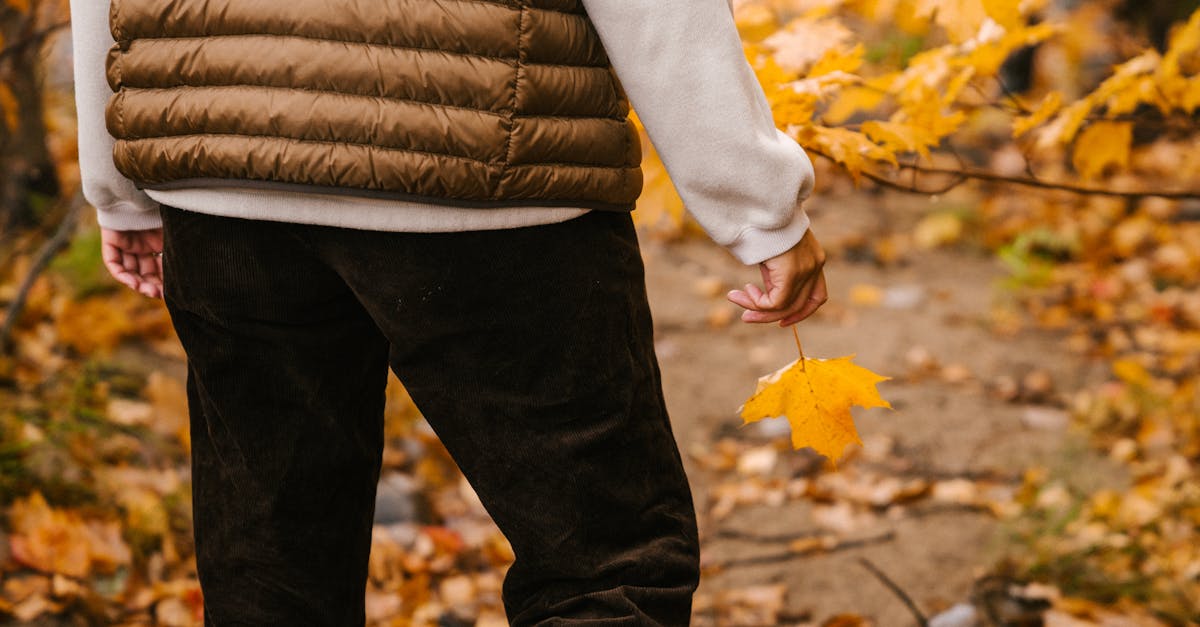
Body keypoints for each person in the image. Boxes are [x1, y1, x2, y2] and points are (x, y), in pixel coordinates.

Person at [70, 0, 828, 623]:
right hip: (489, 174)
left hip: (216, 162)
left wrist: (119, 183)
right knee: (604, 566)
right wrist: (756, 203)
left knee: (270, 571)